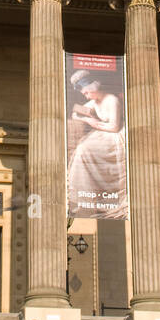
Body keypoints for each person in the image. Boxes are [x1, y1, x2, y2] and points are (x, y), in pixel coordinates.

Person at [66, 69, 128, 219]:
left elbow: (114, 127)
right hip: (102, 133)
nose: (85, 95)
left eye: (86, 93)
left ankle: (91, 197)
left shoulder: (111, 100)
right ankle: (81, 197)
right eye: (84, 94)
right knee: (82, 150)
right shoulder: (94, 102)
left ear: (93, 87)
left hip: (115, 137)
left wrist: (94, 123)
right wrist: (87, 119)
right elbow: (75, 111)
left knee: (84, 149)